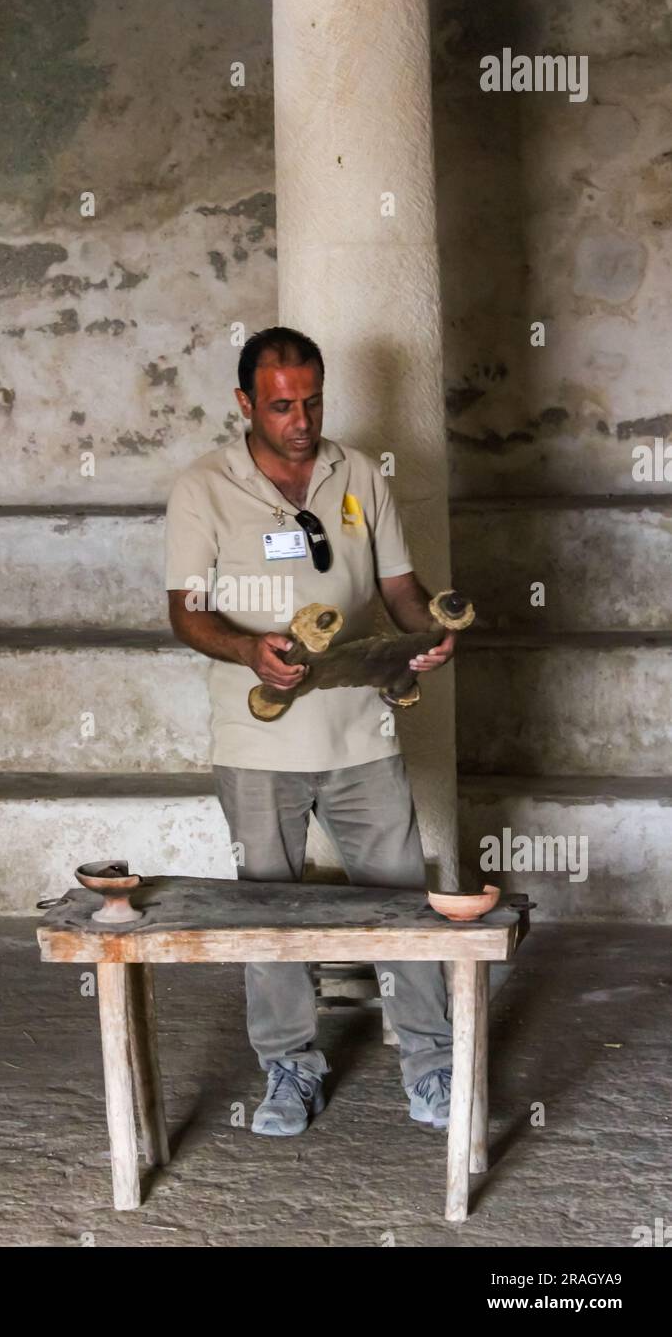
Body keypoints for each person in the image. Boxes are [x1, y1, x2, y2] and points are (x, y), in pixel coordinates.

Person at [165, 326, 456, 1137]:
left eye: (313, 400)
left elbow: (398, 586)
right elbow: (186, 612)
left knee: (403, 904)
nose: (301, 419)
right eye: (282, 405)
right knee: (269, 906)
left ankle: (432, 1064)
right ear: (245, 404)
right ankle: (290, 1067)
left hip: (360, 726)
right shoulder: (203, 487)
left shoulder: (359, 473)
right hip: (257, 740)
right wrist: (248, 652)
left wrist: (428, 626)